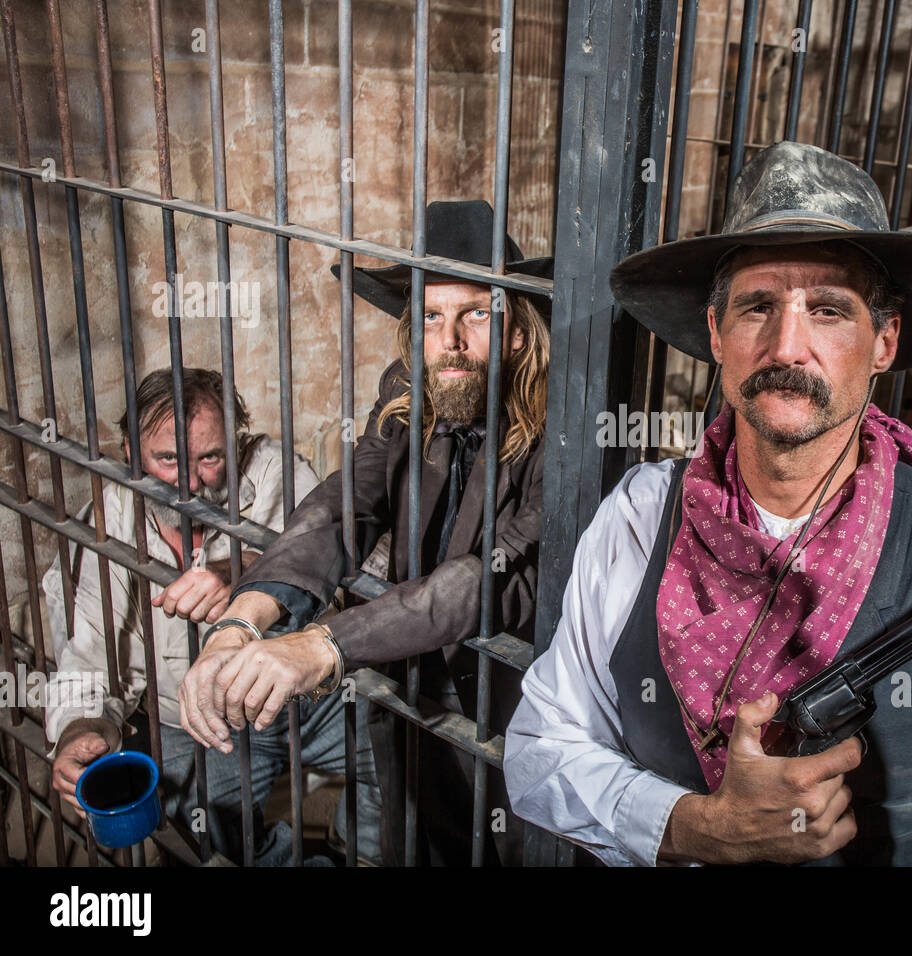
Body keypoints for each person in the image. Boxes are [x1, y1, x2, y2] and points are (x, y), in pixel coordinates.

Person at [505, 141, 912, 866]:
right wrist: (695, 826)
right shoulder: (639, 519)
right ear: (716, 335)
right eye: (759, 306)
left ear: (884, 342)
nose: (788, 346)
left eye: (827, 310)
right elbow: (542, 750)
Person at [177, 200, 551, 866]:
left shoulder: (561, 428)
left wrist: (323, 644)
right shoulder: (408, 389)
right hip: (405, 674)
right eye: (432, 317)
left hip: (507, 697)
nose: (452, 342)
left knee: (501, 850)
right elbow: (341, 505)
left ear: (518, 332)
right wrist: (241, 621)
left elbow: (486, 577)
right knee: (406, 843)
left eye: (477, 315)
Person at [45, 366, 383, 865]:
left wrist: (244, 569)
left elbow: (335, 577)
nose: (187, 482)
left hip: (303, 697)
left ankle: (354, 851)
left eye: (209, 458)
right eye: (166, 459)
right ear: (127, 449)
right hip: (192, 720)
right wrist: (78, 730)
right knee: (205, 843)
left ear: (236, 442)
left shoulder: (275, 472)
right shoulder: (107, 520)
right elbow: (89, 652)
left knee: (404, 759)